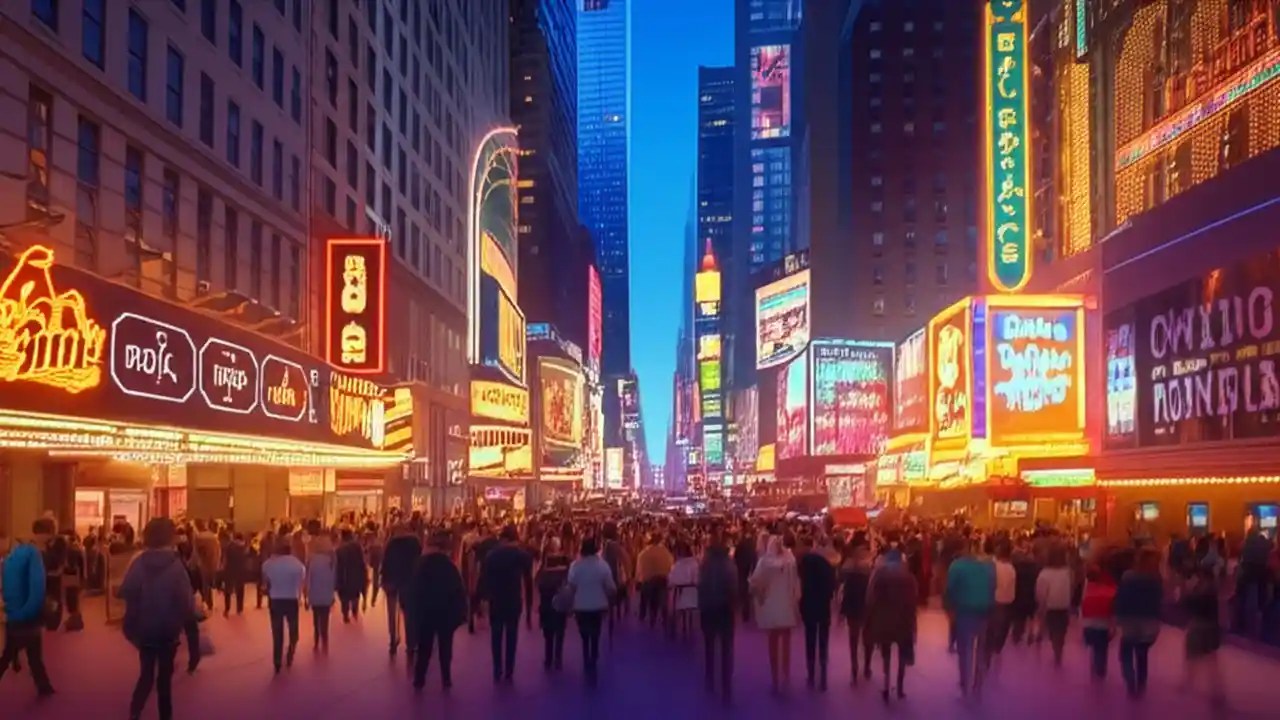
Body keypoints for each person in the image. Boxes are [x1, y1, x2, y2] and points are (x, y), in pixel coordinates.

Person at [118, 518, 196, 720]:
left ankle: (135, 710)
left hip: (144, 629)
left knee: (146, 674)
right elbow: (186, 601)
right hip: (168, 630)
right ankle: (165, 715)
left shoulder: (139, 563)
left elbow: (126, 591)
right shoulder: (177, 566)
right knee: (164, 680)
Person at [0, 518, 55, 697]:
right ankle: (44, 687)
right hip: (26, 614)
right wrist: (31, 610)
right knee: (26, 653)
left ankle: (44, 686)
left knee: (14, 652)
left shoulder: (14, 553)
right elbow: (37, 585)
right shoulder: (33, 554)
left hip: (14, 611)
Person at [407, 530, 467, 691]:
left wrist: (414, 610)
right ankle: (446, 678)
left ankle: (419, 679)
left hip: (426, 612)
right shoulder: (449, 566)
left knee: (424, 647)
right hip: (445, 612)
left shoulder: (421, 565)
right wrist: (460, 613)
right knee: (445, 647)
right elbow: (458, 590)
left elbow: (414, 590)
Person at [478, 525, 533, 683]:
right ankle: (509, 669)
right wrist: (529, 608)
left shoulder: (491, 556)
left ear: (502, 539)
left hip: (496, 600)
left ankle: (497, 669)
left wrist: (483, 600)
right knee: (512, 635)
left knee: (496, 635)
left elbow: (485, 579)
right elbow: (528, 582)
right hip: (513, 599)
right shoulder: (522, 556)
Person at [865, 541, 918, 703]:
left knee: (886, 653)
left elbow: (871, 597)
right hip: (903, 619)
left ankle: (886, 685)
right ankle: (900, 687)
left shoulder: (880, 573)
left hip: (885, 618)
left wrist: (871, 617)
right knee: (902, 651)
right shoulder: (908, 575)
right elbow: (913, 599)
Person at [946, 537, 995, 699]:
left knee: (965, 650)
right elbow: (992, 587)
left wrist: (950, 610)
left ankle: (965, 686)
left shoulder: (956, 566)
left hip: (965, 610)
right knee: (980, 648)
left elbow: (950, 590)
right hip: (984, 609)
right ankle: (978, 684)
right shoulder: (988, 566)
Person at [750, 536, 799, 693]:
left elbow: (756, 582)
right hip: (787, 607)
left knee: (772, 642)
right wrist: (795, 602)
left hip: (771, 607)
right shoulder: (790, 560)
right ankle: (786, 674)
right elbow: (795, 584)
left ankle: (775, 677)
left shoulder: (764, 562)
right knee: (786, 642)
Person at [567, 536, 616, 684]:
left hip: (580, 606)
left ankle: (586, 658)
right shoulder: (603, 566)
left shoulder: (575, 566)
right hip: (598, 605)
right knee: (596, 633)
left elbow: (571, 586)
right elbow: (611, 587)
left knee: (584, 635)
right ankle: (594, 658)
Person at [1115, 547, 1163, 698]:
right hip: (1149, 620)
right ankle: (1141, 684)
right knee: (1142, 654)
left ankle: (1130, 679)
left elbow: (1122, 597)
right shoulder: (1156, 578)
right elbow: (1159, 601)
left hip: (1130, 618)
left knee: (1126, 651)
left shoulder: (1128, 576)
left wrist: (1118, 615)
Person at [697, 529, 737, 701]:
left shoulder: (704, 564)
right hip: (725, 610)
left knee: (709, 646)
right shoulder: (729, 565)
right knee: (726, 649)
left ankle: (709, 678)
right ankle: (726, 687)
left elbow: (701, 585)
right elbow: (734, 587)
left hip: (708, 609)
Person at [797, 535, 836, 690]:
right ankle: (823, 671)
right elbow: (832, 585)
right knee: (823, 640)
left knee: (810, 639)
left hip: (809, 605)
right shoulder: (826, 565)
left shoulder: (803, 564)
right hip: (823, 606)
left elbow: (800, 586)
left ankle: (811, 673)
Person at [261, 539, 306, 675]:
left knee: (277, 633)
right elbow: (301, 580)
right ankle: (291, 648)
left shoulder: (269, 564)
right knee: (293, 630)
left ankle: (277, 662)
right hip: (292, 599)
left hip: (275, 599)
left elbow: (265, 578)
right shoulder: (297, 564)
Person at [1183, 564, 1225, 708]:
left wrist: (1188, 591)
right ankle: (1216, 692)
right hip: (1210, 626)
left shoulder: (1202, 591)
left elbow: (1190, 605)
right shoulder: (1212, 590)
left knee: (1193, 656)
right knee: (1210, 660)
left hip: (1199, 625)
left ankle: (1189, 682)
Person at [381, 524, 423, 658]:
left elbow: (385, 563)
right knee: (409, 613)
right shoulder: (414, 542)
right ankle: (411, 644)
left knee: (392, 613)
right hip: (409, 581)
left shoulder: (391, 544)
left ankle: (393, 639)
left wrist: (384, 581)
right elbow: (420, 561)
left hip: (392, 580)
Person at [839, 542, 874, 684]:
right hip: (867, 607)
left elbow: (846, 591)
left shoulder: (850, 571)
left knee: (853, 639)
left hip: (853, 608)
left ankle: (855, 666)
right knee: (868, 639)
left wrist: (842, 611)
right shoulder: (870, 571)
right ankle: (867, 666)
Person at [534, 537, 571, 670]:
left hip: (547, 603)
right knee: (559, 632)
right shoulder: (565, 564)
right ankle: (558, 658)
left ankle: (548, 659)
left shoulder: (543, 567)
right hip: (559, 602)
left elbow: (537, 582)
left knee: (548, 633)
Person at [1036, 544, 1073, 666]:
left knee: (1053, 632)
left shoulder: (1044, 573)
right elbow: (1071, 588)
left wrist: (1041, 607)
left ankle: (1056, 651)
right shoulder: (1068, 572)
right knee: (1061, 632)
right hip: (1064, 606)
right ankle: (1059, 653)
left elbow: (1041, 593)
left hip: (1051, 607)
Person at [1080, 563, 1116, 680]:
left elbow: (1082, 606)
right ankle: (1100, 669)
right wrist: (1113, 626)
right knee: (1101, 648)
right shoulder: (1107, 590)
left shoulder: (1086, 589)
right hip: (1103, 624)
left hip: (1089, 623)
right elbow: (1111, 608)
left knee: (1094, 647)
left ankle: (1095, 668)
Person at [985, 539, 1015, 673]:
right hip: (1006, 601)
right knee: (1002, 626)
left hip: (993, 599)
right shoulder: (1011, 568)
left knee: (991, 626)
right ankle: (997, 648)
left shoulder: (993, 565)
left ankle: (989, 649)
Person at [306, 530, 337, 652]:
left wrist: (307, 595)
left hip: (315, 594)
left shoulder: (312, 560)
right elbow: (333, 578)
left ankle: (316, 640)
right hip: (326, 594)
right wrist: (332, 594)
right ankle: (325, 640)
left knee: (316, 619)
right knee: (325, 619)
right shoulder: (331, 560)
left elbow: (309, 579)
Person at [636, 533, 674, 630]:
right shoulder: (665, 552)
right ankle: (664, 617)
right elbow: (671, 566)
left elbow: (639, 572)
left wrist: (640, 580)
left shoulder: (643, 553)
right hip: (663, 581)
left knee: (644, 592)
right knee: (662, 594)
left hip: (648, 583)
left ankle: (643, 614)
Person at [668, 541, 700, 640]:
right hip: (693, 596)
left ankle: (672, 627)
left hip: (679, 596)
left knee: (674, 601)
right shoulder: (695, 564)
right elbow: (698, 580)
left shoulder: (676, 566)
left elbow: (671, 581)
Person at [335, 528, 367, 623]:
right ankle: (354, 610)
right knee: (355, 595)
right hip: (356, 576)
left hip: (344, 577)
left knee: (344, 598)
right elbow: (362, 562)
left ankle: (345, 614)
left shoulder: (339, 549)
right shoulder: (357, 547)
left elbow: (338, 566)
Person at [733, 530, 758, 623]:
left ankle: (744, 608)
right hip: (748, 567)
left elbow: (736, 556)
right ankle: (747, 608)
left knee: (742, 588)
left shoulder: (740, 545)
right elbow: (754, 557)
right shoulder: (751, 546)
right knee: (746, 588)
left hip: (741, 568)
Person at [221, 532, 248, 617]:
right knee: (240, 590)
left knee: (228, 591)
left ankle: (227, 609)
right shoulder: (244, 547)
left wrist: (223, 568)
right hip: (241, 570)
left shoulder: (229, 546)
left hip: (230, 570)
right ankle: (239, 609)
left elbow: (225, 559)